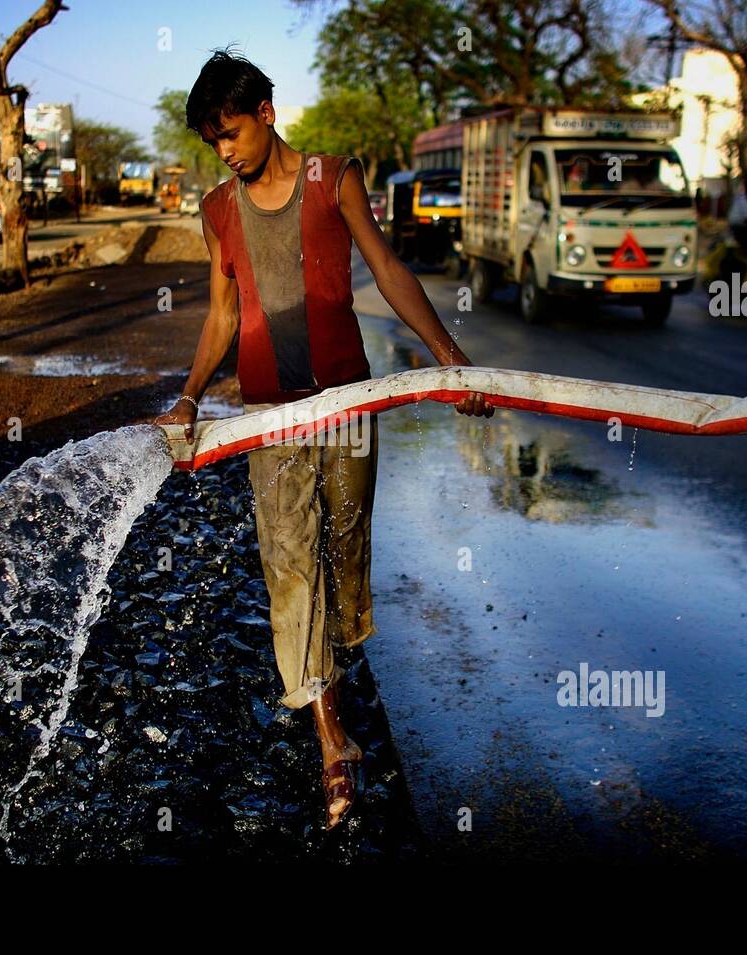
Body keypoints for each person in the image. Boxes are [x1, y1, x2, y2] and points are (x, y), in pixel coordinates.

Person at [154, 49, 494, 830]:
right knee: (289, 568)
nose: (225, 150)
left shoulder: (332, 179)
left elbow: (386, 266)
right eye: (213, 141)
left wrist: (447, 357)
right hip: (272, 419)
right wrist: (187, 396)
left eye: (230, 132)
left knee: (342, 558)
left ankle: (335, 669)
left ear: (265, 114)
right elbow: (222, 316)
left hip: (346, 408)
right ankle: (331, 738)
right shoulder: (217, 210)